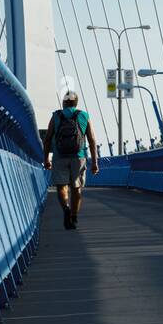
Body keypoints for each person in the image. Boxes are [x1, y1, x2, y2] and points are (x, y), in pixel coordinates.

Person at [42, 91, 99, 229]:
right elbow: (91, 140)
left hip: (60, 156)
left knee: (62, 186)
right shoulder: (84, 115)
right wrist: (95, 162)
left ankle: (66, 209)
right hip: (78, 157)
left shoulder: (56, 116)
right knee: (76, 187)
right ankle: (73, 217)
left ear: (64, 102)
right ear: (76, 102)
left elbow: (48, 138)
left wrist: (46, 159)